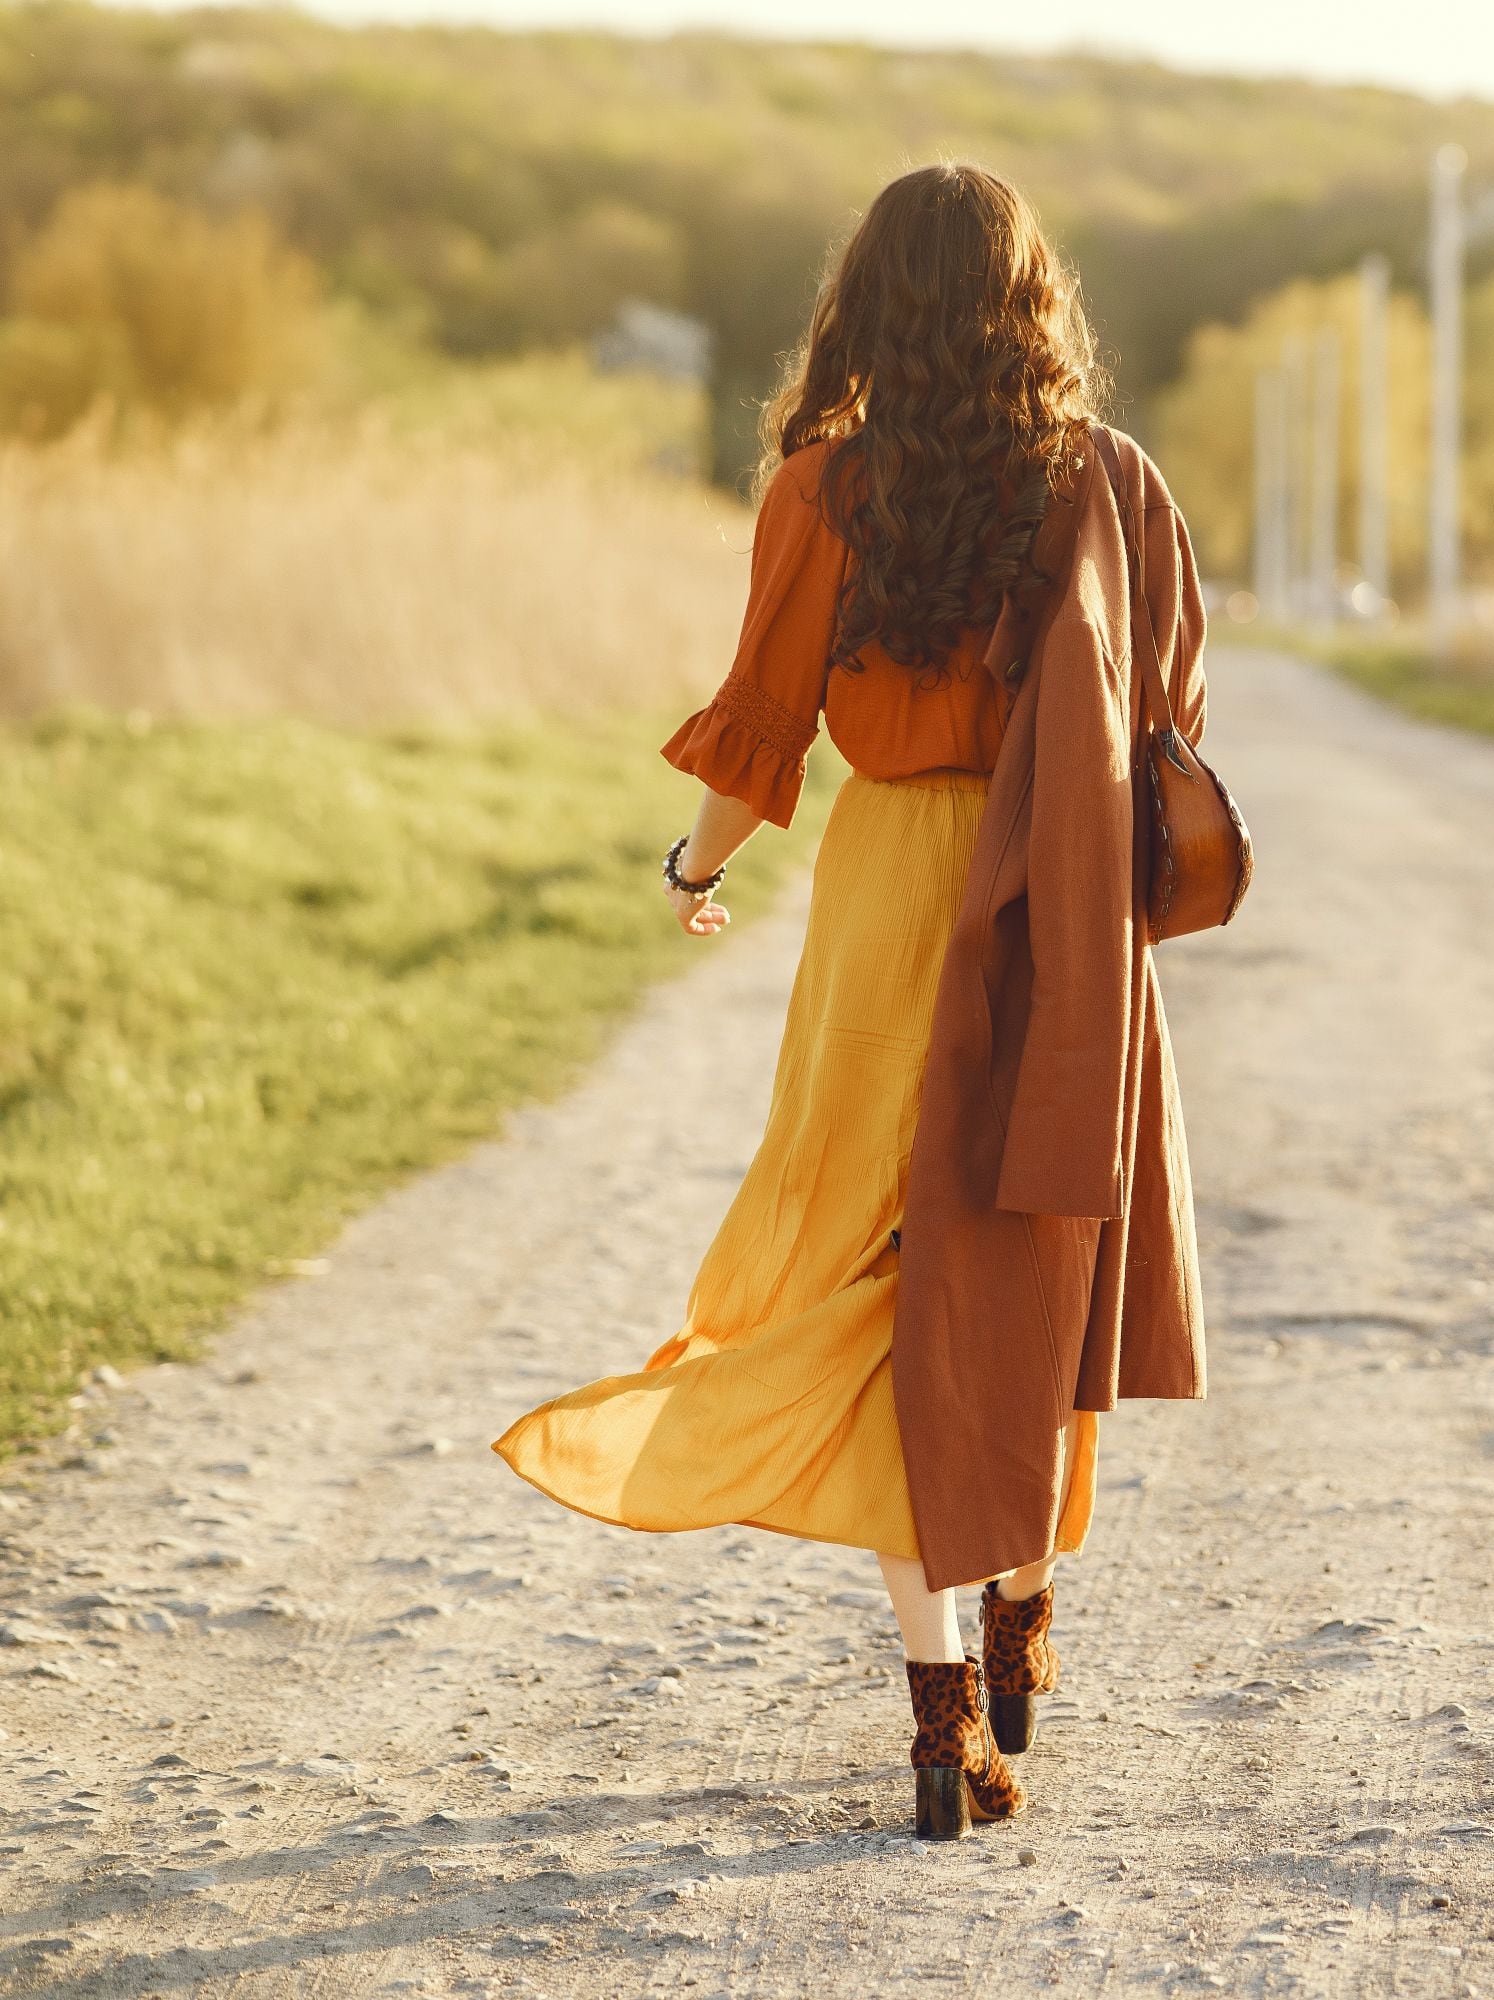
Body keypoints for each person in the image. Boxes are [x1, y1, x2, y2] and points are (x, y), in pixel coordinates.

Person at [493, 163, 1209, 1839]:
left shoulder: (826, 493)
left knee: (891, 1276)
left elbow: (762, 726)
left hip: (892, 897)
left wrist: (690, 870)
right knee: (1027, 1254)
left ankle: (941, 1713)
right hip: (1055, 904)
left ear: (866, 306)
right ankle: (1028, 1590)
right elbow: (1170, 713)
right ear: (1034, 303)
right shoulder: (1110, 485)